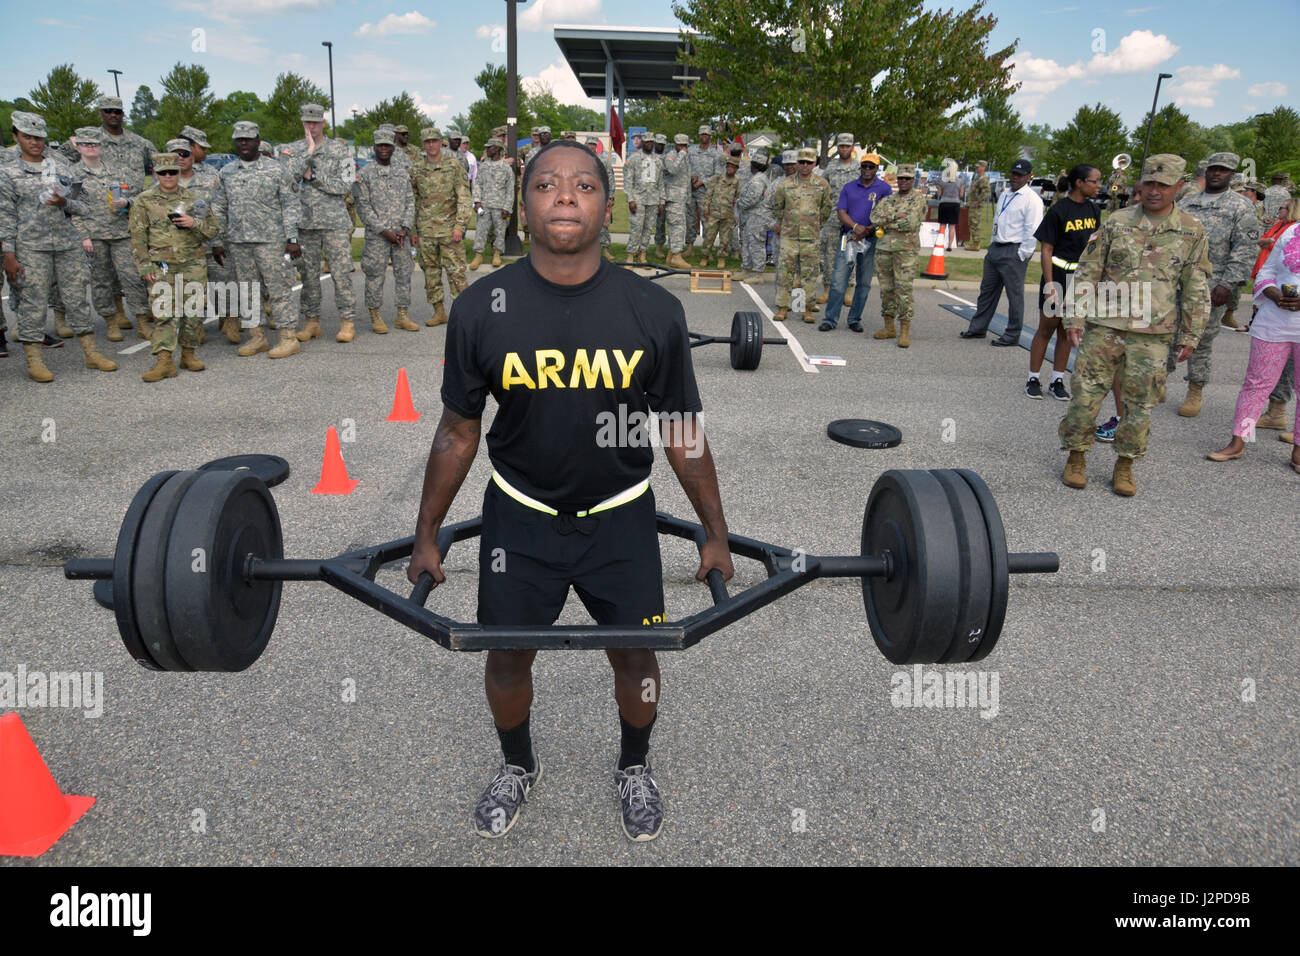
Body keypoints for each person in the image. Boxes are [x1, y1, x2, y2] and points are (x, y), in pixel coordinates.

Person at [405, 137, 734, 841]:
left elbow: (680, 429)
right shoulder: (480, 307)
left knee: (638, 654)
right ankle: (517, 765)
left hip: (620, 518)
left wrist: (715, 530)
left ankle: (635, 766)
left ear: (606, 206)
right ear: (523, 205)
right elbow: (459, 430)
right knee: (507, 652)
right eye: (547, 184)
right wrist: (427, 532)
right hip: (519, 518)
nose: (564, 195)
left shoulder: (651, 310)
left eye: (582, 186)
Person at [1058, 154, 1211, 496]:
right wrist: (1075, 315)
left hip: (1153, 333)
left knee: (1140, 404)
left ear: (1179, 187)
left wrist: (1191, 333)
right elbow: (1089, 270)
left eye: (1163, 185)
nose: (1155, 191)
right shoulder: (1117, 221)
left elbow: (1196, 286)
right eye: (1150, 183)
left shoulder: (1191, 230)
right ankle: (1077, 456)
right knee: (1085, 394)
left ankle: (1125, 464)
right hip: (1105, 325)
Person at [0, 111, 119, 382]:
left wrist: (64, 203)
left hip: (67, 245)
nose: (35, 142)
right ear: (16, 136)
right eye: (28, 137)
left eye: (39, 137)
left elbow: (85, 205)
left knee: (77, 299)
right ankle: (34, 360)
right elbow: (4, 216)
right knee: (33, 302)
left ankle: (91, 354)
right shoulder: (7, 173)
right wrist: (8, 254)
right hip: (30, 247)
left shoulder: (62, 167)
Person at [1206, 197, 1300, 472]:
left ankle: (1298, 450)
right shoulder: (1291, 233)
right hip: (1274, 322)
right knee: (1256, 385)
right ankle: (1238, 441)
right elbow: (1266, 270)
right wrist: (1271, 291)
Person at [1165, 152, 1261, 417]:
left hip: (1212, 284)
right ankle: (1159, 381)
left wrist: (1228, 284)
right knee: (1166, 333)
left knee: (1201, 339)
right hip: (1176, 282)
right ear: (1206, 172)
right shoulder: (1187, 202)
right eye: (1213, 169)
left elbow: (1245, 249)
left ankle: (1195, 389)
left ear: (1232, 175)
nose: (1217, 173)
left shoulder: (1241, 207)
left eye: (1224, 170)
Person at [211, 120, 303, 359]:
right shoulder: (227, 173)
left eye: (249, 139)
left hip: (271, 241)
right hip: (239, 242)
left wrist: (292, 238)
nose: (244, 143)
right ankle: (257, 338)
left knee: (279, 289)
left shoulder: (276, 169)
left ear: (257, 141)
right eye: (239, 139)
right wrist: (217, 240)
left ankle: (288, 338)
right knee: (248, 291)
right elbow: (219, 208)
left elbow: (290, 204)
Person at [129, 151, 220, 380]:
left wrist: (194, 223)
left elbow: (212, 230)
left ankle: (188, 354)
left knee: (193, 311)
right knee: (163, 312)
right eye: (163, 173)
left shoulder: (194, 199)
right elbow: (138, 236)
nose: (168, 176)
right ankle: (164, 361)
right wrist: (145, 267)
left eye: (172, 172)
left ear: (179, 172)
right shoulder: (144, 200)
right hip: (162, 265)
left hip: (193, 263)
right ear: (155, 173)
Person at [281, 104, 359, 344]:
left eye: (315, 122)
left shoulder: (340, 149)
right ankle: (312, 321)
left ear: (323, 122)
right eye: (307, 122)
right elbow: (286, 179)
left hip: (334, 222)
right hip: (304, 222)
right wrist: (308, 153)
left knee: (341, 273)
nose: (311, 126)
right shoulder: (291, 150)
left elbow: (346, 185)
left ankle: (347, 321)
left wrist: (313, 177)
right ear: (302, 123)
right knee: (309, 276)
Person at [1026, 163, 1102, 400]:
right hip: (1057, 277)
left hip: (1079, 282)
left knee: (1068, 331)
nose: (1099, 186)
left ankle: (1058, 379)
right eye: (1095, 181)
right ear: (1080, 183)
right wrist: (1050, 287)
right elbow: (1046, 250)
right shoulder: (1059, 210)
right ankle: (1033, 378)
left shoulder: (1094, 211)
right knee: (1047, 328)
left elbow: (1094, 248)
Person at [68, 126, 150, 343]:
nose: (91, 148)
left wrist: (126, 202)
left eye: (95, 144)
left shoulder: (116, 171)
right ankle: (111, 322)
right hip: (94, 236)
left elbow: (135, 195)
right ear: (78, 147)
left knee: (132, 277)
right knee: (101, 281)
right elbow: (73, 207)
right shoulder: (73, 174)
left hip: (121, 232)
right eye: (86, 144)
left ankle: (142, 321)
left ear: (101, 147)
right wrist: (83, 235)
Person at [961, 158, 1043, 345]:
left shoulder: (1032, 200)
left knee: (1014, 295)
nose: (1015, 177)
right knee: (987, 292)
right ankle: (978, 328)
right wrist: (992, 245)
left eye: (1020, 175)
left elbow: (1032, 230)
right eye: (1014, 173)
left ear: (1029, 176)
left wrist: (1022, 254)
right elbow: (998, 220)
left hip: (1014, 250)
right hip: (996, 248)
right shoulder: (1005, 194)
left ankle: (1012, 334)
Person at [821, 151, 891, 333]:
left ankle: (854, 319)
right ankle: (830, 319)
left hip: (871, 240)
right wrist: (856, 227)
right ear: (860, 167)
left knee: (864, 283)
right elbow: (841, 211)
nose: (867, 169)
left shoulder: (884, 189)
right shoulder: (849, 187)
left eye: (871, 167)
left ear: (877, 169)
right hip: (849, 237)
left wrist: (868, 229)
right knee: (838, 280)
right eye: (864, 166)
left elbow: (886, 213)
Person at [356, 127, 416, 338]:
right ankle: (375, 315)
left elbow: (410, 200)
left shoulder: (401, 172)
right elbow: (363, 206)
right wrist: (383, 230)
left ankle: (402, 314)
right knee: (374, 276)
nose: (383, 149)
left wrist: (405, 228)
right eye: (380, 145)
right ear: (374, 147)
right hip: (377, 237)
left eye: (387, 146)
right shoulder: (365, 174)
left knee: (404, 274)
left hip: (401, 235)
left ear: (392, 148)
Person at [410, 127, 471, 328]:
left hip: (449, 230)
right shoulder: (417, 169)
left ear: (440, 142)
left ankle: (464, 313)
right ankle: (439, 312)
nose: (431, 145)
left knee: (456, 273)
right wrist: (413, 230)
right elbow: (414, 200)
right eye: (427, 142)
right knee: (431, 274)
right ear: (423, 144)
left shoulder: (453, 166)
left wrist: (460, 226)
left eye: (434, 141)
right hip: (426, 231)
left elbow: (464, 197)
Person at [771, 147, 832, 323]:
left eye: (809, 162)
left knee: (810, 275)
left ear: (814, 163)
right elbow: (777, 207)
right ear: (797, 163)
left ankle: (808, 310)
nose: (805, 166)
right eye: (802, 162)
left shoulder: (822, 185)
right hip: (789, 237)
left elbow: (826, 209)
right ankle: (783, 308)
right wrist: (786, 223)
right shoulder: (785, 184)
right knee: (785, 273)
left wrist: (814, 225)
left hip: (810, 238)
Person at [870, 164, 927, 347]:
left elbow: (910, 223)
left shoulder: (918, 199)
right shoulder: (889, 200)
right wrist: (897, 216)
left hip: (906, 251)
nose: (903, 181)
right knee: (886, 290)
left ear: (913, 180)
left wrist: (888, 221)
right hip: (885, 249)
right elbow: (874, 217)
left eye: (907, 178)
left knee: (903, 290)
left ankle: (904, 329)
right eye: (901, 178)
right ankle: (889, 327)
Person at [816, 134, 861, 307]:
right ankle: (827, 289)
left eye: (847, 146)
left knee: (851, 253)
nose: (844, 149)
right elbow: (823, 191)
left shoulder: (858, 168)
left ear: (852, 148)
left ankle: (848, 290)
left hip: (852, 219)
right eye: (841, 146)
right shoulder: (830, 167)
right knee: (828, 254)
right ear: (838, 148)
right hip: (832, 218)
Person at [470, 138, 514, 270]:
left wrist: (507, 207)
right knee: (481, 230)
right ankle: (478, 255)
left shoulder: (506, 168)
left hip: (500, 207)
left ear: (498, 149)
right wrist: (477, 201)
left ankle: (497, 254)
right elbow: (478, 184)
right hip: (484, 205)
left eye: (490, 147)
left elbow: (510, 189)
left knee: (500, 231)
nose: (487, 150)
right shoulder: (483, 166)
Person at [737, 148, 771, 282]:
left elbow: (752, 200)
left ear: (754, 166)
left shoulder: (758, 181)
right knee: (747, 244)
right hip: (751, 217)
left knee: (756, 245)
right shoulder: (758, 178)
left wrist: (739, 202)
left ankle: (758, 274)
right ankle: (746, 269)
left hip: (757, 217)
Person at [685, 125, 720, 259]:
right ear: (699, 135)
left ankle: (707, 250)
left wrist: (703, 181)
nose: (704, 136)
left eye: (706, 134)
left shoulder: (715, 154)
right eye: (702, 134)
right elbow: (685, 167)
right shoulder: (691, 151)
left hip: (705, 193)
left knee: (707, 221)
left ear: (710, 136)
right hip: (690, 191)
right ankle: (690, 247)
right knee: (690, 219)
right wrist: (691, 177)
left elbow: (718, 174)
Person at [699, 156, 740, 267]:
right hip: (713, 213)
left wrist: (737, 217)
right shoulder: (716, 179)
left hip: (728, 215)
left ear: (736, 169)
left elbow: (738, 201)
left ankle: (721, 258)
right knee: (708, 237)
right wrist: (706, 208)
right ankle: (705, 257)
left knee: (725, 239)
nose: (730, 168)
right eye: (728, 166)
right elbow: (708, 195)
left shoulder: (737, 183)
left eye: (733, 167)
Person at [661, 134, 692, 269]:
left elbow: (686, 178)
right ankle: (676, 255)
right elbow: (672, 169)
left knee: (677, 226)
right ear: (675, 144)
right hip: (673, 198)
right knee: (677, 227)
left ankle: (670, 254)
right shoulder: (671, 155)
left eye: (685, 145)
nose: (683, 148)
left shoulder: (684, 157)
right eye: (680, 145)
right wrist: (681, 155)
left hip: (681, 197)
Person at [587, 136, 615, 261]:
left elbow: (610, 178)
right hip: (585, 196)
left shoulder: (604, 161)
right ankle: (587, 250)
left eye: (593, 144)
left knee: (604, 223)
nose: (591, 147)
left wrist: (611, 196)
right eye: (589, 144)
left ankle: (605, 249)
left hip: (601, 195)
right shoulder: (581, 160)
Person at [936, 159, 963, 251]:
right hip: (955, 204)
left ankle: (940, 244)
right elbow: (961, 195)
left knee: (942, 226)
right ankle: (950, 246)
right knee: (952, 226)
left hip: (944, 203)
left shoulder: (942, 181)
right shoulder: (960, 181)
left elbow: (939, 194)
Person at [965, 161, 990, 251]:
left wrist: (978, 201)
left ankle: (976, 244)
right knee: (972, 223)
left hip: (976, 205)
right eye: (976, 167)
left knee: (975, 223)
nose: (976, 169)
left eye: (978, 167)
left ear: (983, 168)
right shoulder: (977, 178)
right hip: (972, 204)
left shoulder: (983, 178)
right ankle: (975, 243)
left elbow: (986, 191)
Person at [652, 133, 669, 257]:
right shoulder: (650, 158)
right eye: (658, 144)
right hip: (653, 194)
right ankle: (653, 247)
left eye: (662, 144)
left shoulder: (668, 158)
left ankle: (661, 248)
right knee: (656, 222)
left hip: (668, 193)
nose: (660, 146)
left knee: (664, 222)